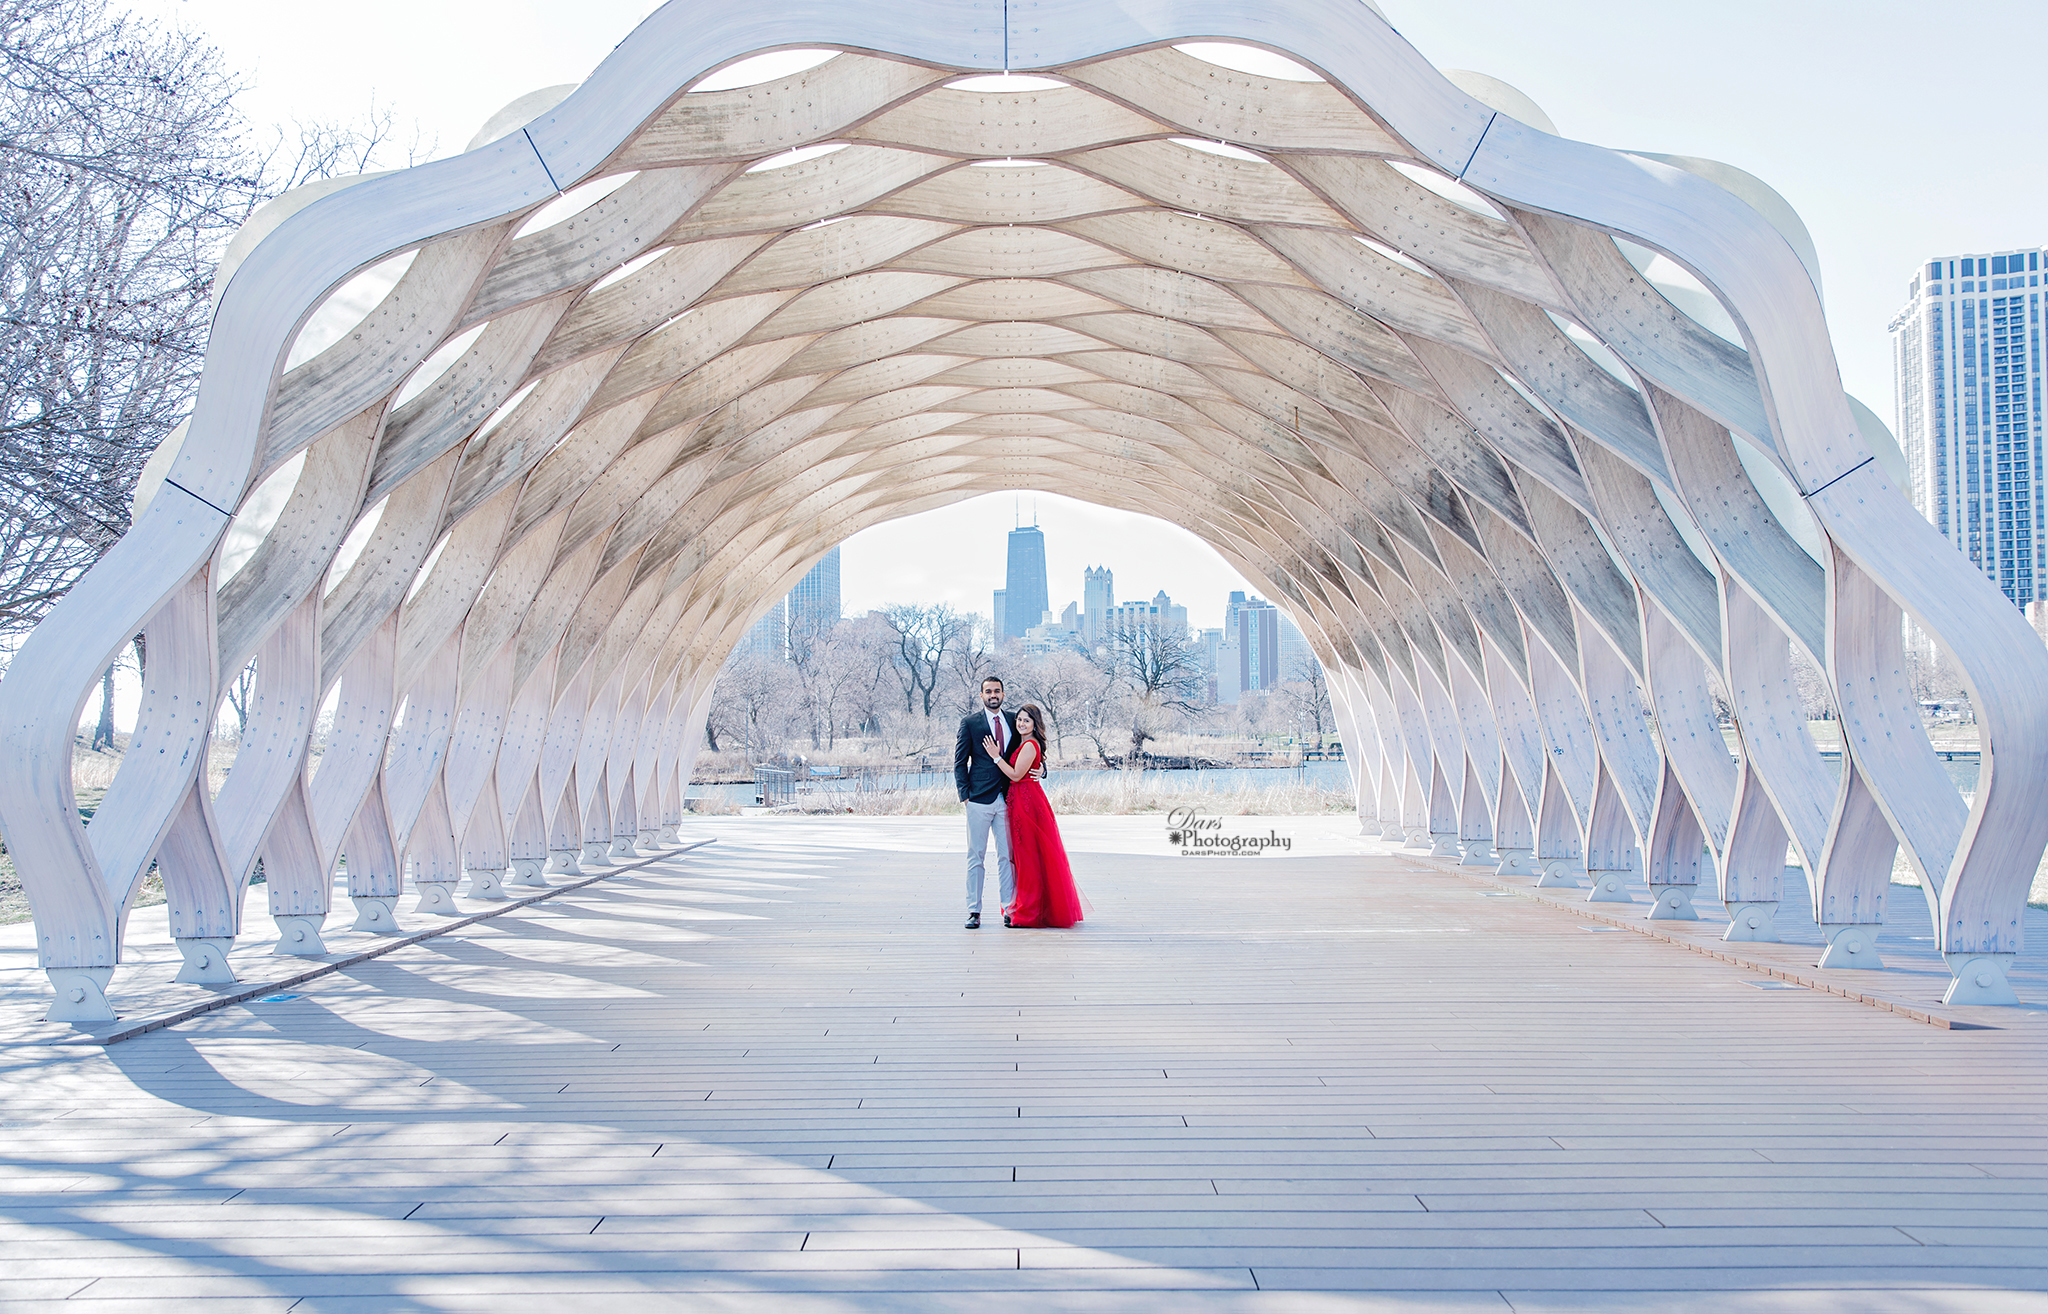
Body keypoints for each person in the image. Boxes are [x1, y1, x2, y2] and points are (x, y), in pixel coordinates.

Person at [983, 703, 1084, 928]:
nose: (1021, 724)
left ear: (1035, 724)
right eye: (1019, 720)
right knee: (1028, 857)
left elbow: (1017, 775)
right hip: (1022, 799)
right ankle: (1030, 907)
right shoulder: (1026, 743)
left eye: (1026, 721)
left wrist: (996, 757)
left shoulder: (1029, 744)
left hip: (1026, 802)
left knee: (1027, 858)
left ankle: (1028, 913)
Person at [954, 675, 1016, 929]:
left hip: (1008, 798)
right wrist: (965, 796)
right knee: (975, 856)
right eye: (988, 691)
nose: (993, 695)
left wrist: (1041, 767)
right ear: (981, 695)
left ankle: (1010, 909)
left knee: (1007, 857)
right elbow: (959, 763)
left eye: (997, 691)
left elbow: (1032, 747)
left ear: (1003, 694)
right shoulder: (970, 723)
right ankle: (973, 911)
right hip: (978, 800)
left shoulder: (1014, 720)